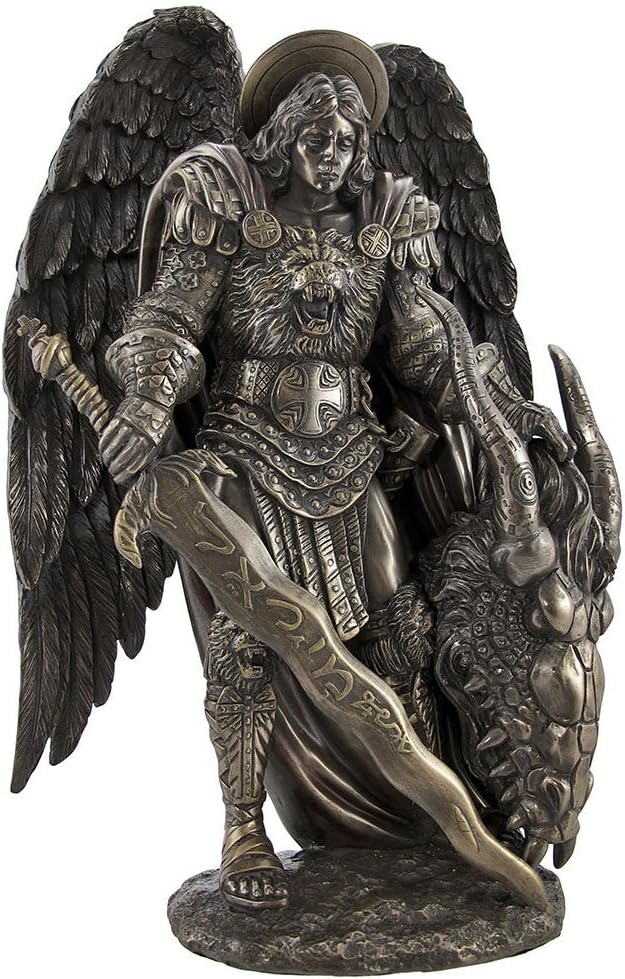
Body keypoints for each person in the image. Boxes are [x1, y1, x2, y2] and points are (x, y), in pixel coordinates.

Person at [100, 71, 571, 910]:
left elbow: (420, 341)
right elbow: (170, 316)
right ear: (283, 138)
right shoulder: (224, 206)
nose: (332, 154)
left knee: (402, 630)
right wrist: (145, 401)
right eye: (316, 138)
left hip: (352, 453)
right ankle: (243, 825)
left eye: (346, 142)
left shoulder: (381, 222)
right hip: (244, 454)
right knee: (244, 645)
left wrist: (488, 401)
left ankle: (419, 810)